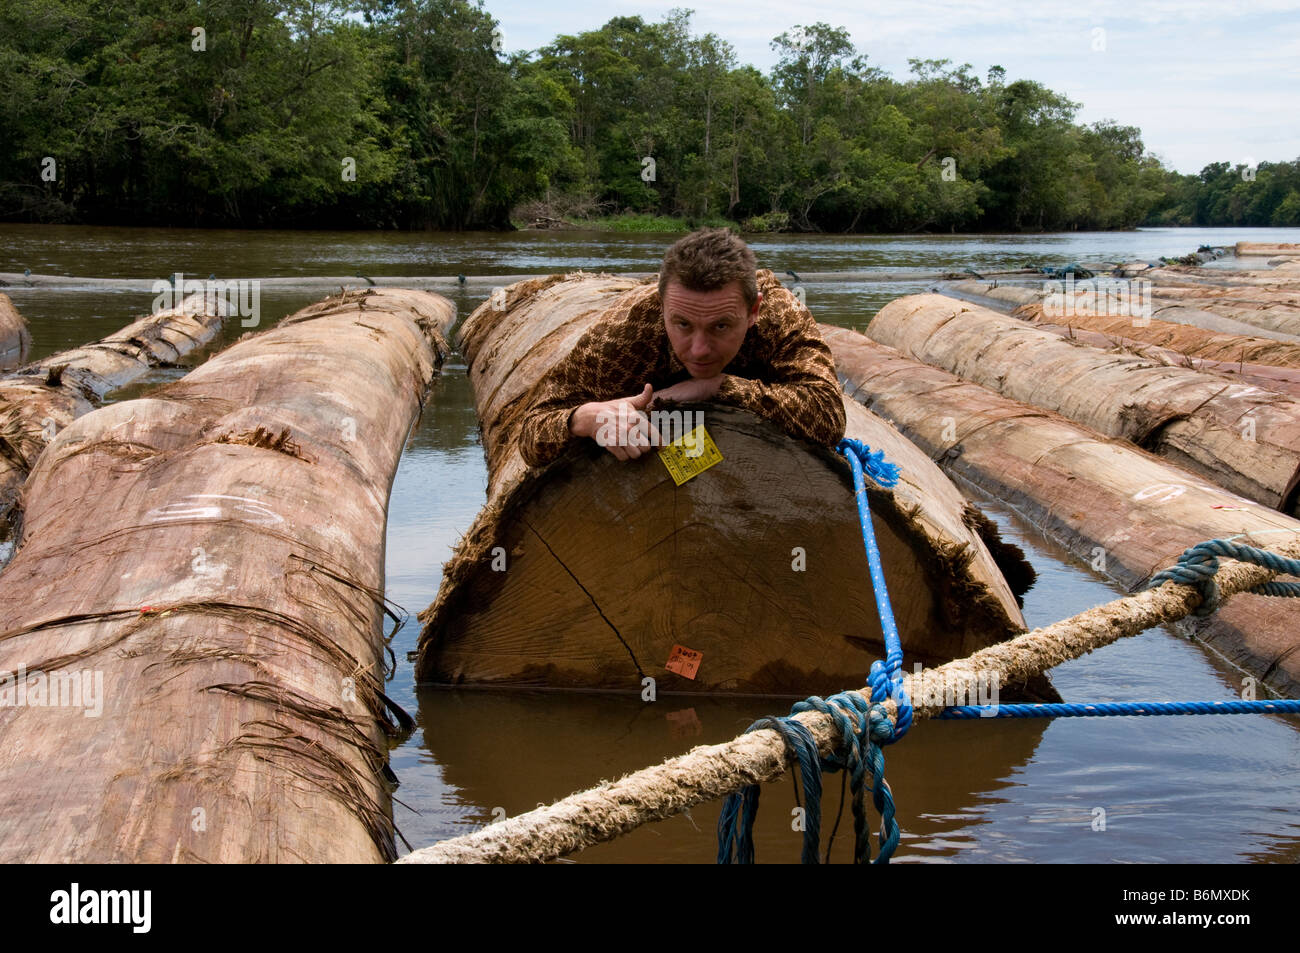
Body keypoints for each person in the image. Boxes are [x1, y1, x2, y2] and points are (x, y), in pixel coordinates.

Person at [517, 227, 847, 467]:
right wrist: (584, 418)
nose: (700, 349)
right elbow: (531, 437)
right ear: (661, 307)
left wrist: (718, 387)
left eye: (721, 326)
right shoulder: (619, 337)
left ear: (753, 311)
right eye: (683, 325)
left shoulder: (780, 314)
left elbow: (828, 417)